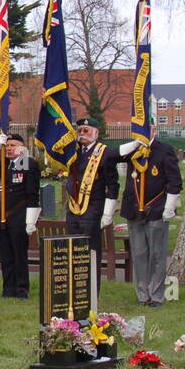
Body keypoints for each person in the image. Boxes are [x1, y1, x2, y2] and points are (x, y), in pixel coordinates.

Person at [117, 136, 183, 307]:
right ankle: (142, 294)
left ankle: (156, 295)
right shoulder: (133, 149)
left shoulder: (164, 150)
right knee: (138, 254)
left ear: (152, 129)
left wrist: (169, 207)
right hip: (133, 208)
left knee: (156, 254)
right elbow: (115, 155)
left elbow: (174, 181)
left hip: (156, 208)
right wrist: (135, 144)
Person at [0, 133, 41, 299]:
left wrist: (31, 221)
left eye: (13, 145)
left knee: (19, 254)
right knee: (5, 255)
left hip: (18, 215)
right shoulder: (3, 164)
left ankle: (22, 289)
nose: (9, 148)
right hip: (1, 216)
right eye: (7, 145)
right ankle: (8, 289)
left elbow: (32, 194)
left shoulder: (27, 163)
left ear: (22, 147)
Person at [65, 117, 120, 276]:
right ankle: (76, 289)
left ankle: (91, 292)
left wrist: (108, 213)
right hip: (73, 210)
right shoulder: (73, 152)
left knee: (90, 253)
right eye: (80, 130)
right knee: (73, 252)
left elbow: (113, 185)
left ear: (96, 132)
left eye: (86, 130)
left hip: (92, 209)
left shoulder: (104, 153)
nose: (82, 133)